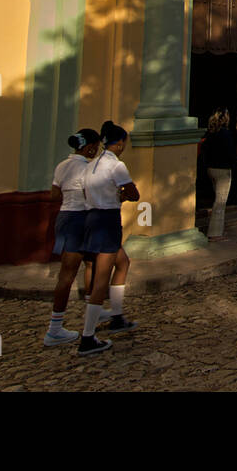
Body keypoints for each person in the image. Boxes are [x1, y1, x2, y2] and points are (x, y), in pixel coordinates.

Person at [78, 120, 140, 356]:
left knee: (123, 262)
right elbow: (134, 193)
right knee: (102, 279)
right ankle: (87, 337)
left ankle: (117, 316)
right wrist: (122, 195)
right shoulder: (117, 166)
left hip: (92, 217)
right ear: (120, 143)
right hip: (108, 220)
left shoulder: (91, 165)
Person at [43, 128, 100, 347]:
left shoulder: (62, 166)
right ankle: (55, 329)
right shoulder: (88, 169)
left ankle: (91, 311)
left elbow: (54, 194)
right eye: (96, 147)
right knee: (75, 272)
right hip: (81, 218)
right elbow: (92, 195)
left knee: (87, 264)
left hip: (65, 217)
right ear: (90, 147)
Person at [198, 108, 237, 208]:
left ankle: (216, 223)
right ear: (225, 118)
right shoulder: (225, 133)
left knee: (217, 199)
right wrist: (235, 162)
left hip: (211, 169)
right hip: (223, 170)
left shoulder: (211, 133)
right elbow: (230, 152)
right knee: (220, 204)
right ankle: (217, 224)